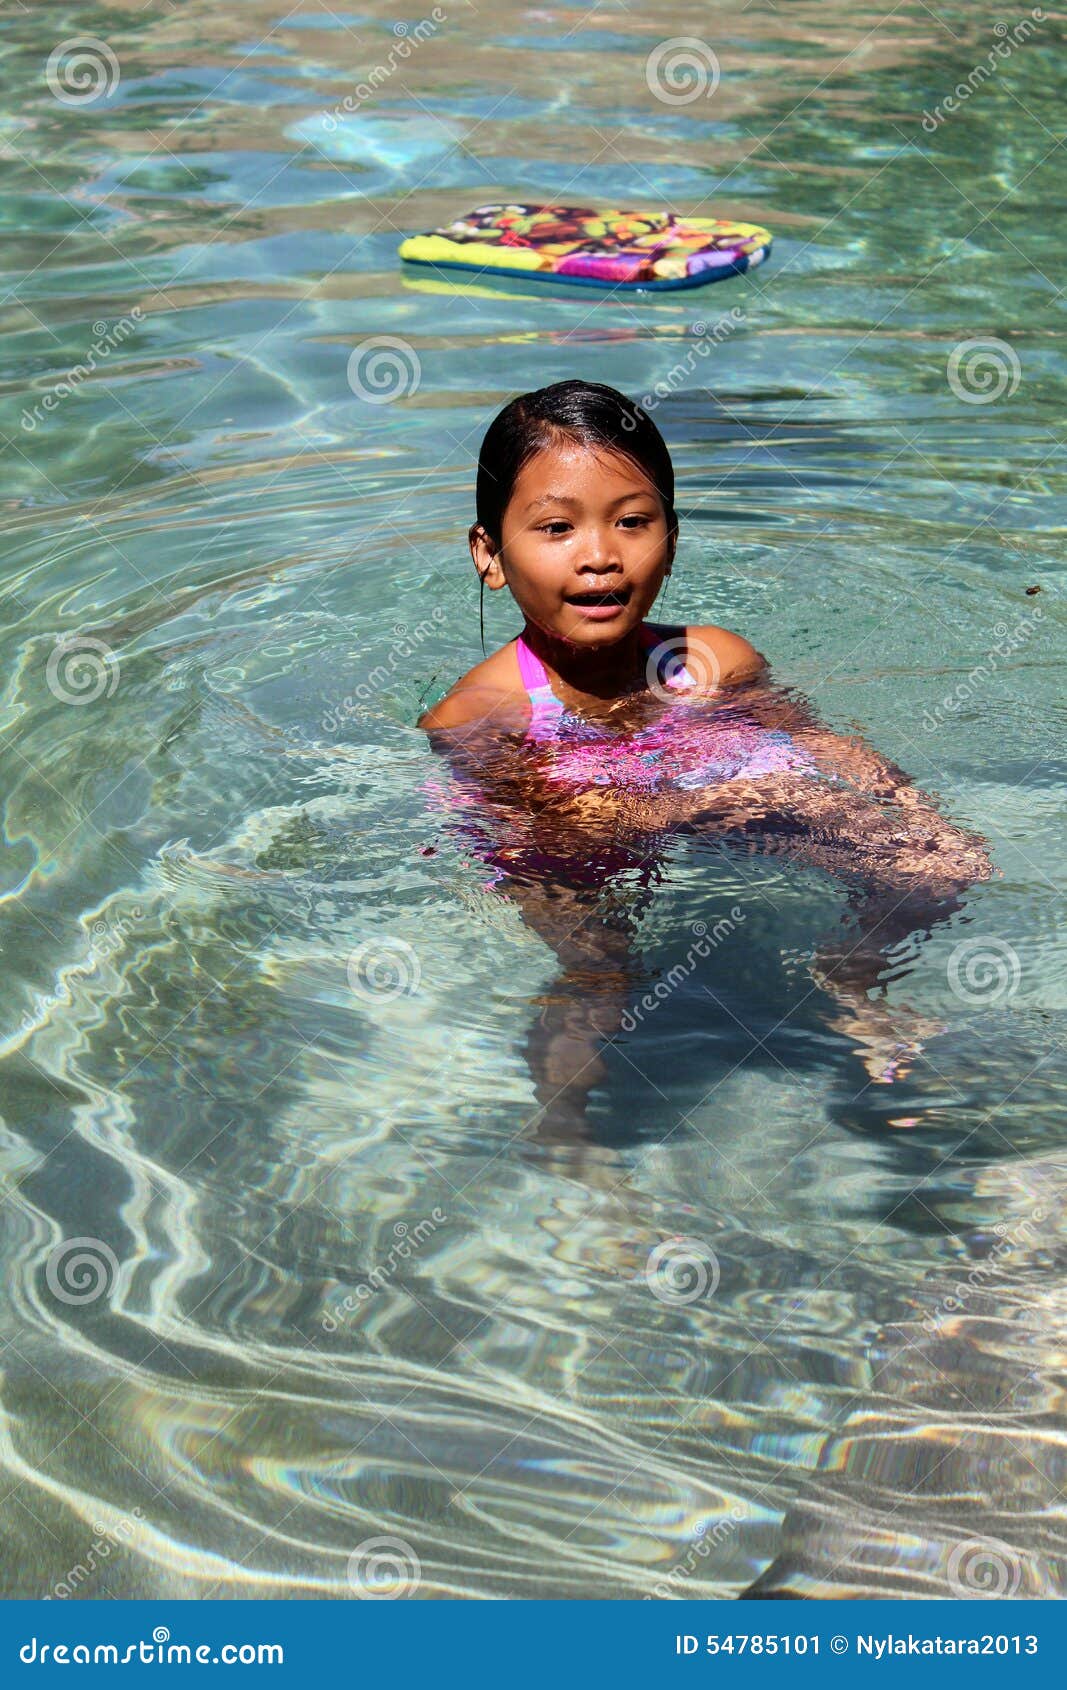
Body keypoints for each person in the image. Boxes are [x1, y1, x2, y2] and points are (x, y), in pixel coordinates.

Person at [419, 380, 993, 1138]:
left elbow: (819, 744)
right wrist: (696, 807)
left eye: (631, 522)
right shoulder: (483, 712)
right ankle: (566, 1138)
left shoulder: (709, 661)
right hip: (569, 847)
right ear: (489, 554)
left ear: (672, 540)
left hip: (707, 794)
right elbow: (565, 827)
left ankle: (847, 976)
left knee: (940, 866)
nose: (598, 556)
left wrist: (907, 807)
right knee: (603, 979)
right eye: (556, 528)